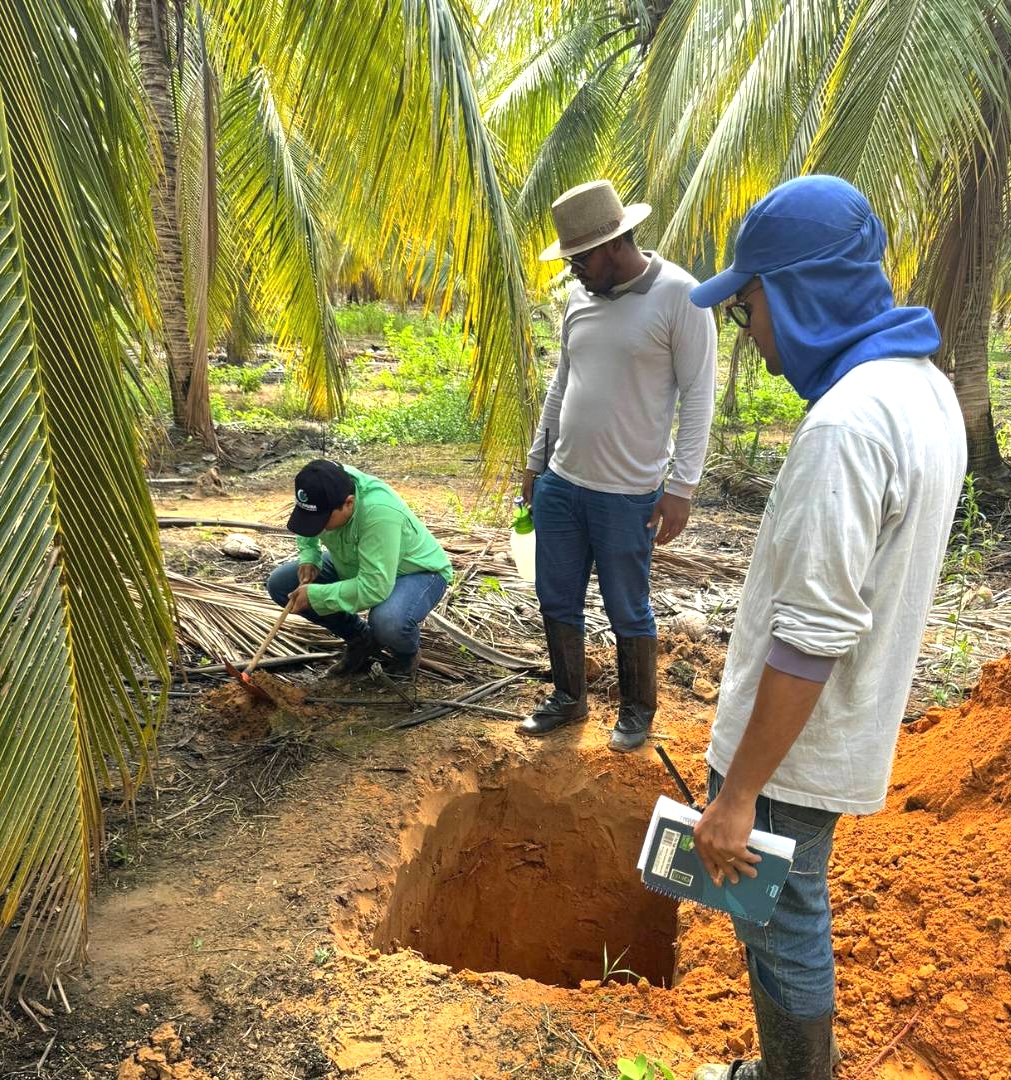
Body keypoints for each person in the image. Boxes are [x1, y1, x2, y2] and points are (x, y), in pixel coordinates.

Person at [685, 176, 966, 1080]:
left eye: (747, 307)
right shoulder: (922, 391)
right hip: (840, 726)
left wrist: (737, 796)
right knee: (786, 909)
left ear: (794, 293)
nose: (748, 333)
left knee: (780, 921)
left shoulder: (845, 426)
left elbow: (811, 635)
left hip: (790, 750)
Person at [518, 179, 717, 752]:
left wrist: (682, 487)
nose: (574, 270)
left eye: (580, 258)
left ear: (613, 244)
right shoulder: (580, 298)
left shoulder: (681, 296)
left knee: (627, 606)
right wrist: (537, 460)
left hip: (628, 493)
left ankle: (636, 710)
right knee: (556, 597)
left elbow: (698, 395)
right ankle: (568, 697)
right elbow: (562, 383)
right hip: (562, 483)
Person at [268, 459, 453, 680]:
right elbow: (308, 522)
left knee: (388, 621)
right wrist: (309, 556)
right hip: (354, 561)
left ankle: (406, 656)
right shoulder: (320, 486)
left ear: (349, 503)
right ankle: (361, 639)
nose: (318, 528)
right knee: (281, 584)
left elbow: (374, 588)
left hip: (415, 571)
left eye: (321, 522)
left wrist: (316, 596)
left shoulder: (380, 512)